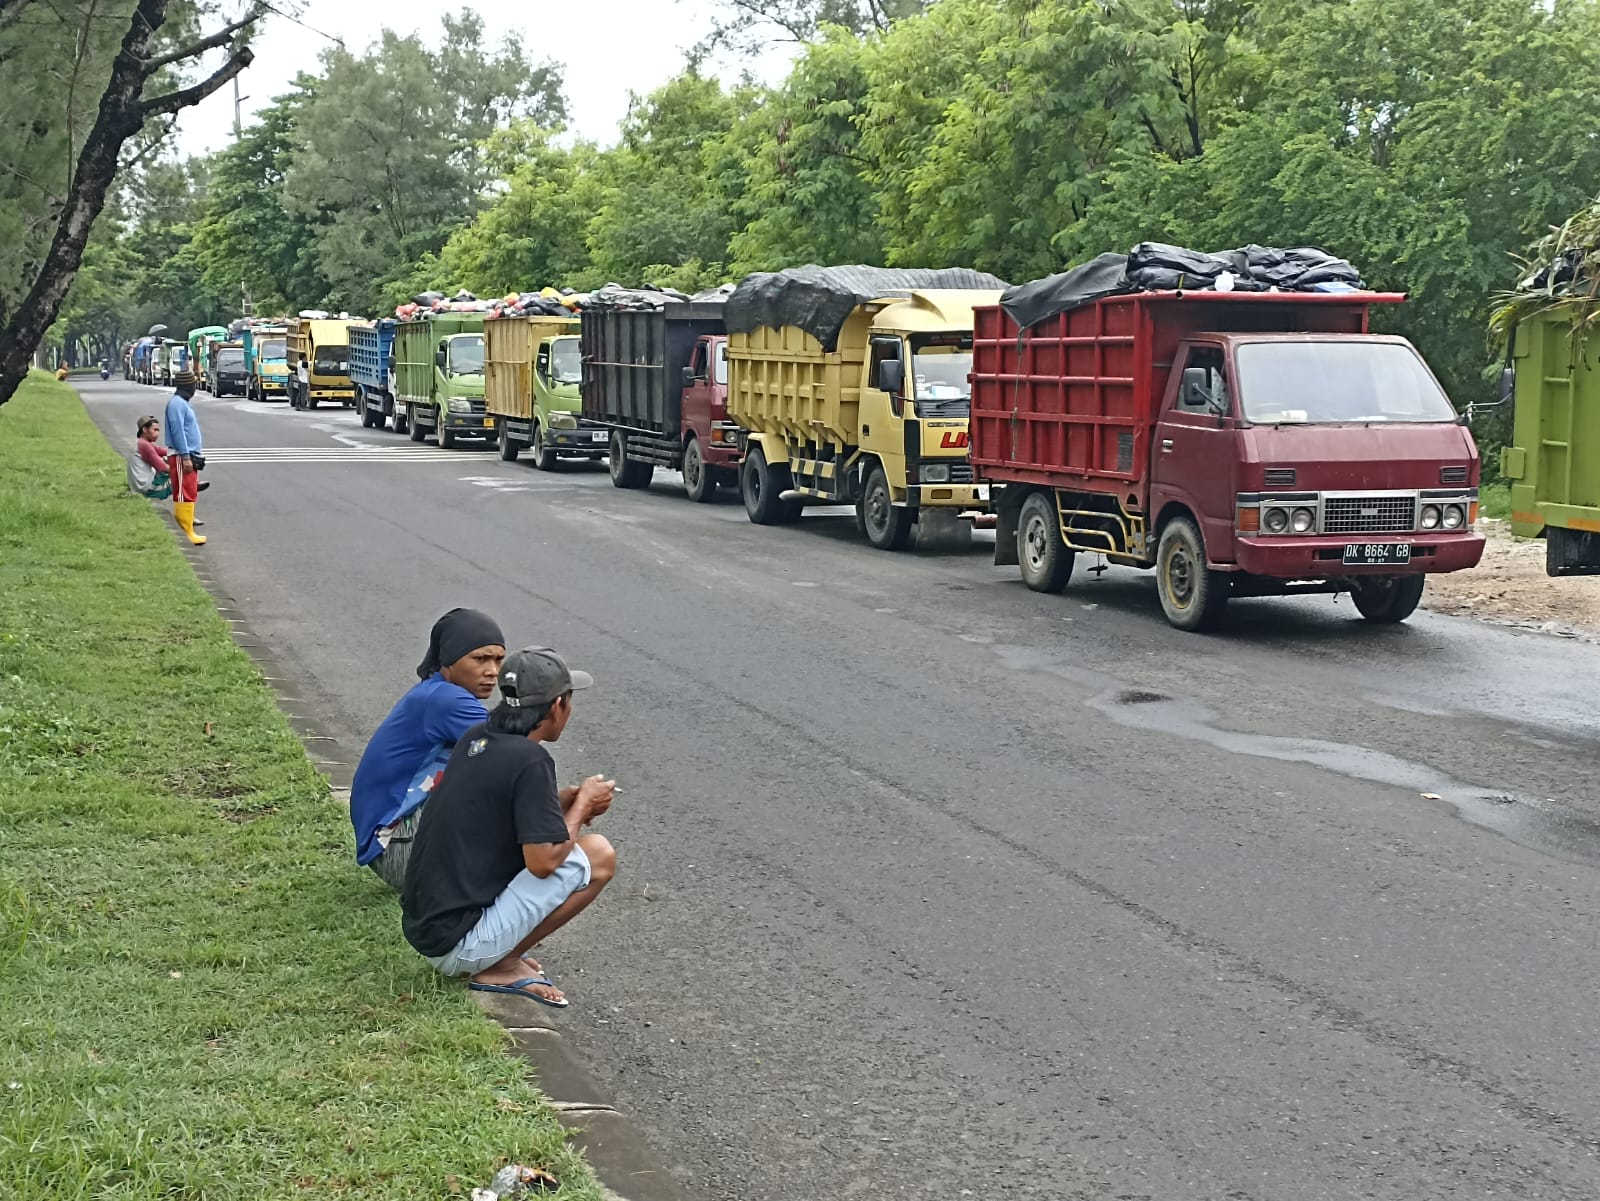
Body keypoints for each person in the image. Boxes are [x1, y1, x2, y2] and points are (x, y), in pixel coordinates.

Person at [401, 646, 617, 1008]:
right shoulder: (531, 759)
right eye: (569, 700)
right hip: (459, 946)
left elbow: (498, 812)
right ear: (556, 707)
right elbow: (543, 863)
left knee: (570, 842)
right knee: (598, 855)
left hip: (426, 931)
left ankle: (496, 955)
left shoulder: (477, 738)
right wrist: (581, 807)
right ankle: (503, 963)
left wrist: (562, 801)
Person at [350, 608, 507, 891]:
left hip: (390, 844)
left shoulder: (436, 691)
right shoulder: (447, 700)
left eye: (498, 660)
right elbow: (514, 751)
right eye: (480, 659)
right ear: (448, 659)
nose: (492, 672)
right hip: (396, 848)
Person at [164, 369, 206, 545]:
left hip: (189, 455)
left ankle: (189, 527)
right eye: (193, 384)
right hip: (183, 456)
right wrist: (186, 456)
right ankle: (186, 531)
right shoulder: (176, 404)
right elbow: (178, 432)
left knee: (189, 491)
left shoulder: (181, 403)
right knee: (183, 493)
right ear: (187, 386)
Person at [126, 415, 172, 499]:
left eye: (158, 430)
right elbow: (162, 467)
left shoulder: (141, 442)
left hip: (139, 486)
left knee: (170, 461)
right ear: (144, 429)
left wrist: (181, 452)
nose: (157, 433)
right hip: (147, 488)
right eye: (155, 430)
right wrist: (183, 467)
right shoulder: (144, 445)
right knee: (179, 480)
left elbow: (162, 451)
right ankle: (193, 486)